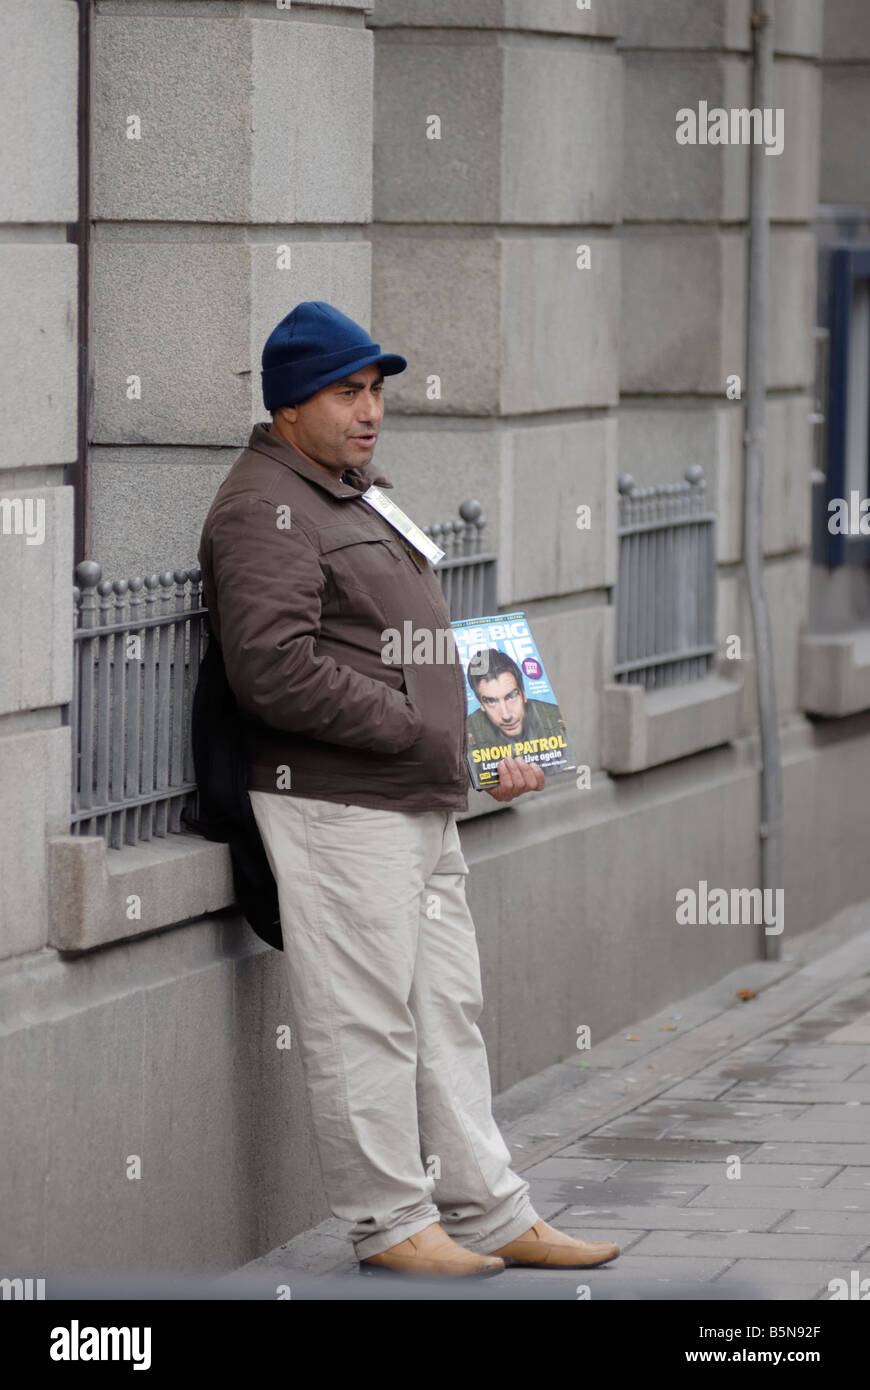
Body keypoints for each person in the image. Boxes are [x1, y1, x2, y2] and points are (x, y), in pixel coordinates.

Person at [197, 300, 620, 1278]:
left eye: (377, 389)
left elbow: (413, 645)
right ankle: (391, 1225)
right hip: (340, 804)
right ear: (290, 402)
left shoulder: (352, 493)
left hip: (416, 797)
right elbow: (274, 669)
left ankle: (490, 1206)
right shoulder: (264, 507)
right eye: (349, 390)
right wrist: (428, 733)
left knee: (446, 1014)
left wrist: (484, 741)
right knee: (367, 1022)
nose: (371, 408)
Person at [466, 647, 569, 751]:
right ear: (481, 704)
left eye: (511, 697)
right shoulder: (465, 732)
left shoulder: (557, 719)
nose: (506, 716)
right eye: (491, 701)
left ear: (524, 694)